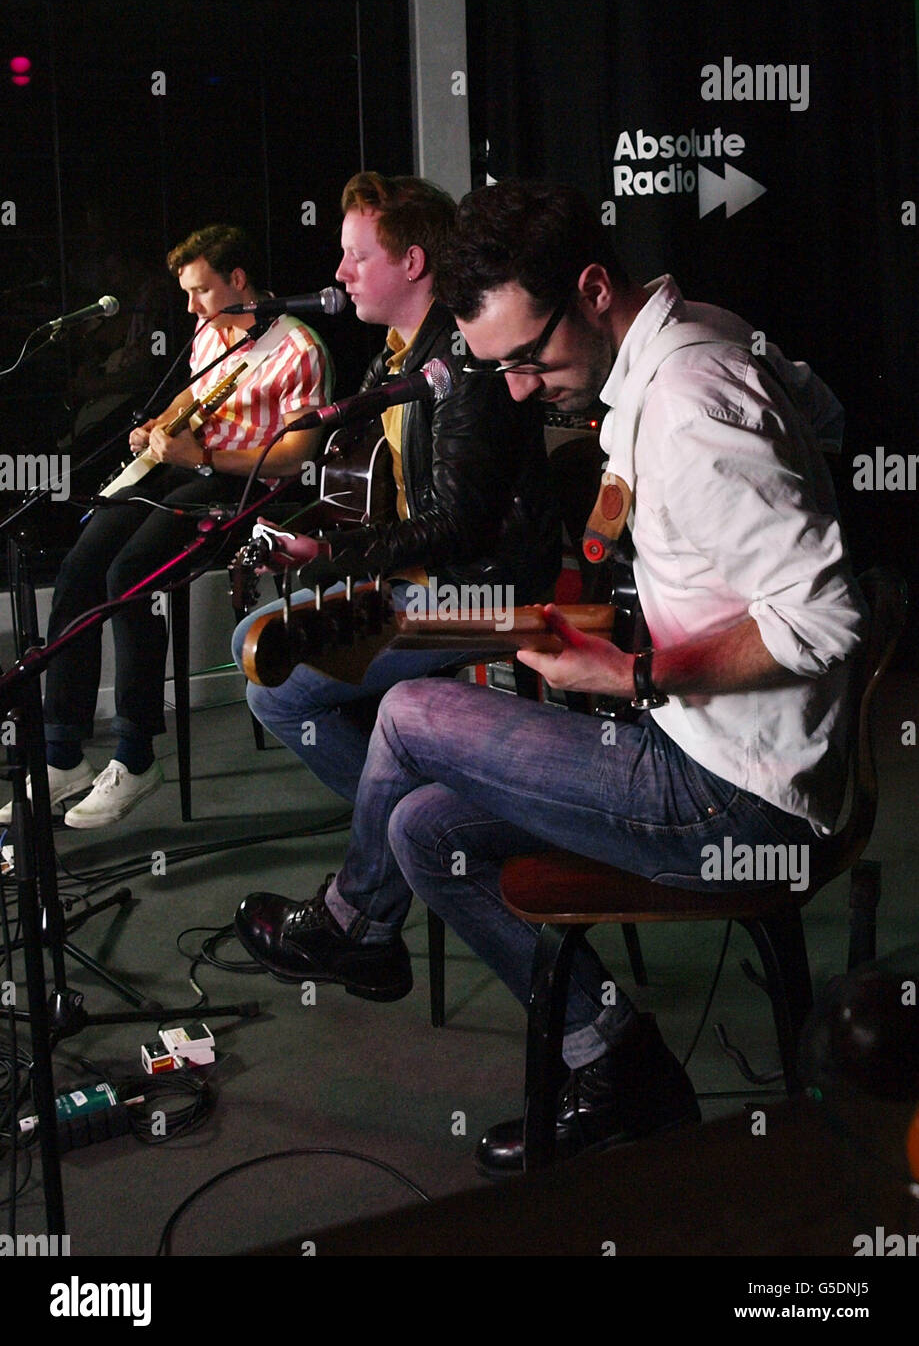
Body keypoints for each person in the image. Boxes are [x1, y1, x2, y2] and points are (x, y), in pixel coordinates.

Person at [235, 181, 864, 1175]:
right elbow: (821, 413)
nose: (521, 389)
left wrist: (640, 664)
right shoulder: (693, 335)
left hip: (739, 799)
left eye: (529, 358)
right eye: (503, 368)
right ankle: (615, 1057)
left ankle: (353, 925)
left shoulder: (690, 403)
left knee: (403, 710)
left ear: (591, 289)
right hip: (706, 744)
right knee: (420, 830)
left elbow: (829, 615)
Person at [230, 171, 559, 804]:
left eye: (357, 256)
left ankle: (412, 823)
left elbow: (457, 528)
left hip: (481, 590)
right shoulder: (395, 355)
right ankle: (420, 805)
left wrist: (330, 557)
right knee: (247, 642)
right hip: (423, 578)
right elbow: (369, 484)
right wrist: (312, 539)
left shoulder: (465, 361)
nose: (341, 271)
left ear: (412, 262)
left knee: (275, 685)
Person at [0, 224, 333, 830]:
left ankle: (134, 754)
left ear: (238, 281)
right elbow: (193, 394)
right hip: (184, 468)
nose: (190, 306)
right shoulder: (211, 329)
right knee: (80, 566)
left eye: (200, 291)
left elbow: (296, 459)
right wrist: (159, 423)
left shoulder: (299, 349)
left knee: (131, 572)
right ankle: (61, 752)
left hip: (240, 484)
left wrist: (200, 458)